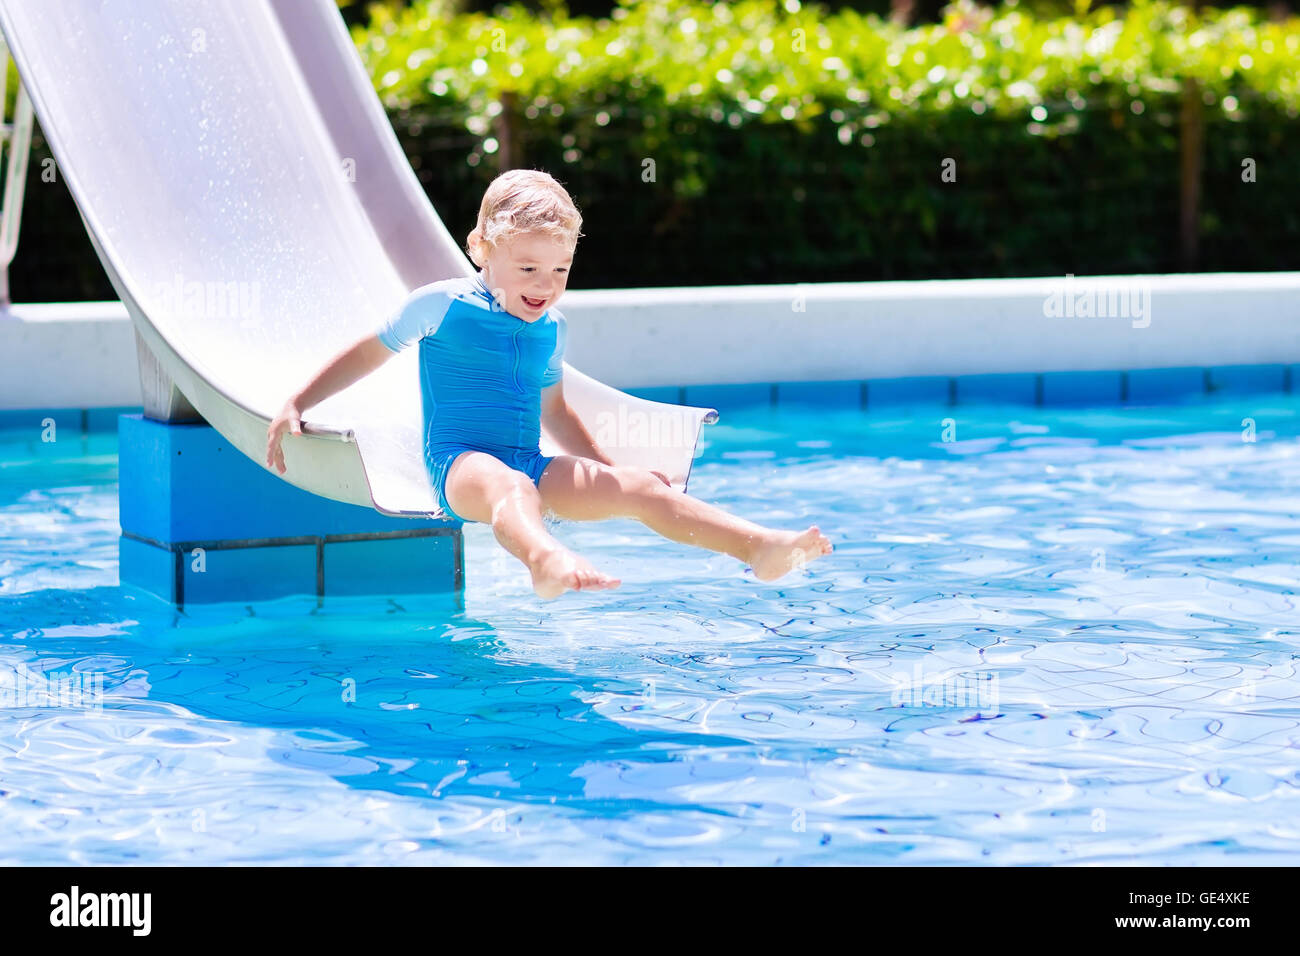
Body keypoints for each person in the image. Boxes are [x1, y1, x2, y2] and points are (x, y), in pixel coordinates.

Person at [267, 169, 831, 598]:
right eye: (528, 269)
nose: (545, 285)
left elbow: (556, 413)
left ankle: (759, 547)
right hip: (461, 465)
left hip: (529, 459)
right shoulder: (442, 305)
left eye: (559, 270)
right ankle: (544, 560)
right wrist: (299, 400)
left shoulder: (551, 329)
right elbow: (370, 351)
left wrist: (611, 472)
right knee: (514, 490)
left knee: (641, 488)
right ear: (483, 250)